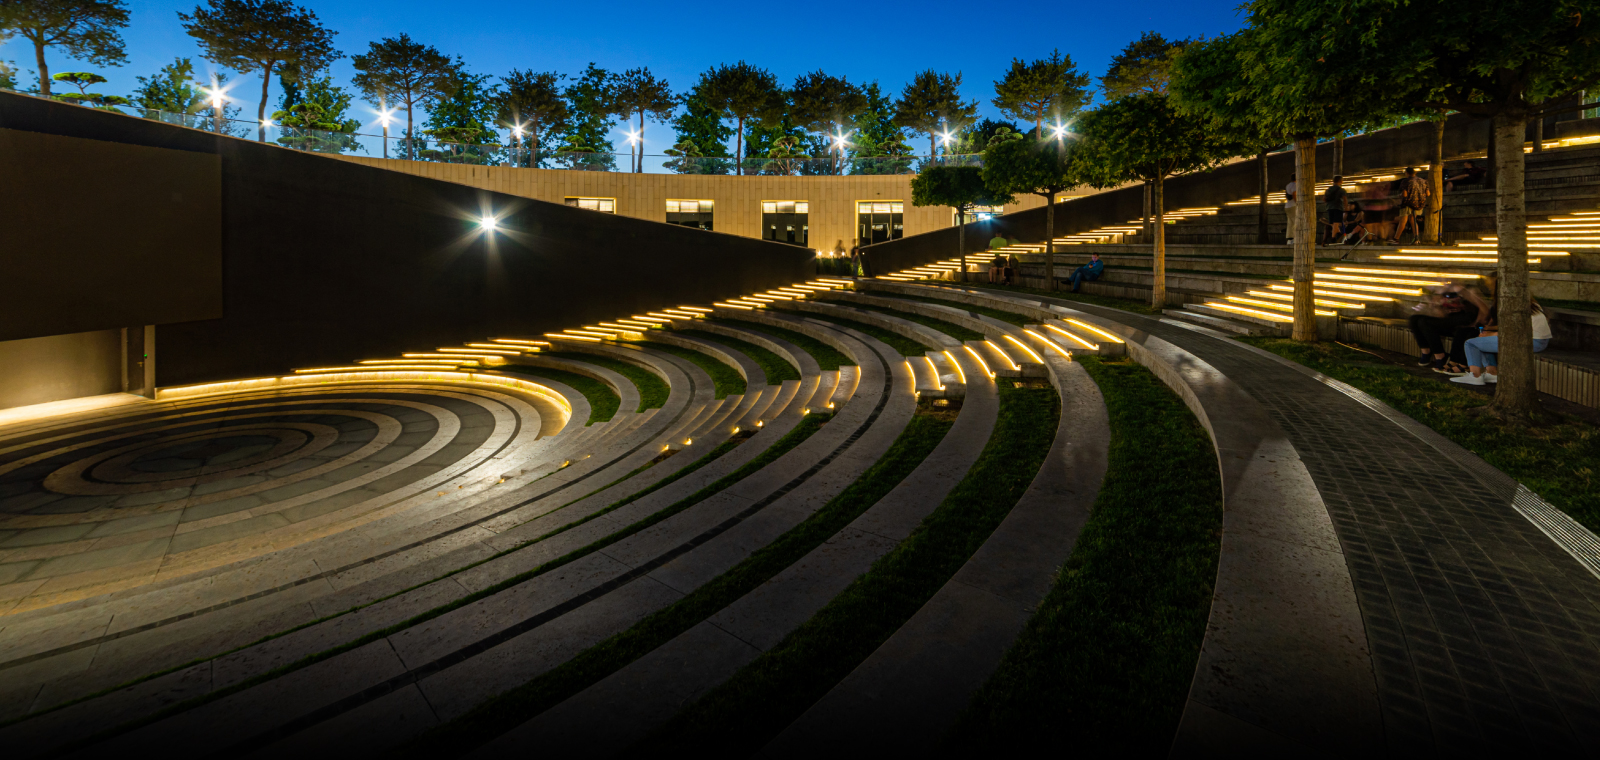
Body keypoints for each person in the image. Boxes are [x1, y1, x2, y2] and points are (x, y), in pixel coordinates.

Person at [1453, 299, 1553, 386]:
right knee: (1482, 343)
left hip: (1531, 342)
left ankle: (1475, 376)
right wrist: (1490, 331)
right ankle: (1492, 374)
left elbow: (1513, 331)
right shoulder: (1534, 305)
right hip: (1541, 342)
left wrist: (1490, 334)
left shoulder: (1517, 308)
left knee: (1471, 343)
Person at [1409, 280, 1491, 371]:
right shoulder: (1445, 292)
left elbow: (1483, 309)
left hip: (1466, 319)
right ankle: (1426, 352)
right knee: (1415, 318)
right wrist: (1435, 304)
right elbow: (1441, 315)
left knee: (1424, 321)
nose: (1447, 281)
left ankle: (1440, 356)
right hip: (1451, 319)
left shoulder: (1468, 290)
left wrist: (1476, 323)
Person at [1387, 167, 1430, 245]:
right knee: (1413, 220)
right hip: (1419, 204)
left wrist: (1400, 196)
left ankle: (1396, 239)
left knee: (1403, 221)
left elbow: (1404, 194)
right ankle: (1416, 239)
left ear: (1407, 173)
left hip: (1408, 203)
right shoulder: (1423, 181)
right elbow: (1428, 194)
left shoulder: (1406, 181)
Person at [1324, 176, 1349, 245]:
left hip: (1329, 207)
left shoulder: (1328, 189)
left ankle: (1338, 231)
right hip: (1338, 207)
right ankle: (1333, 237)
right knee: (1336, 222)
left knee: (1332, 223)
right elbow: (1345, 199)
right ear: (1340, 181)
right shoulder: (1341, 190)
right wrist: (1346, 208)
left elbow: (1324, 199)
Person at [1284, 172, 1297, 247]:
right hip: (1293, 205)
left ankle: (1289, 239)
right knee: (1296, 221)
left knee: (1290, 223)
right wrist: (1297, 203)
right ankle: (1295, 238)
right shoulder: (1295, 185)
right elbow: (1294, 194)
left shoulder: (1288, 185)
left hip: (1287, 206)